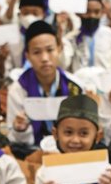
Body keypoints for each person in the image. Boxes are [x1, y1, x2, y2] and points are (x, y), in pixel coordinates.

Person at [7, 20, 95, 156]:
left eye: (50, 50)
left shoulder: (75, 86)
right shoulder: (18, 90)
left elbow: (84, 130)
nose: (44, 58)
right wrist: (20, 129)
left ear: (59, 49)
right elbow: (15, 140)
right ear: (27, 56)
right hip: (33, 153)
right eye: (37, 52)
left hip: (70, 152)